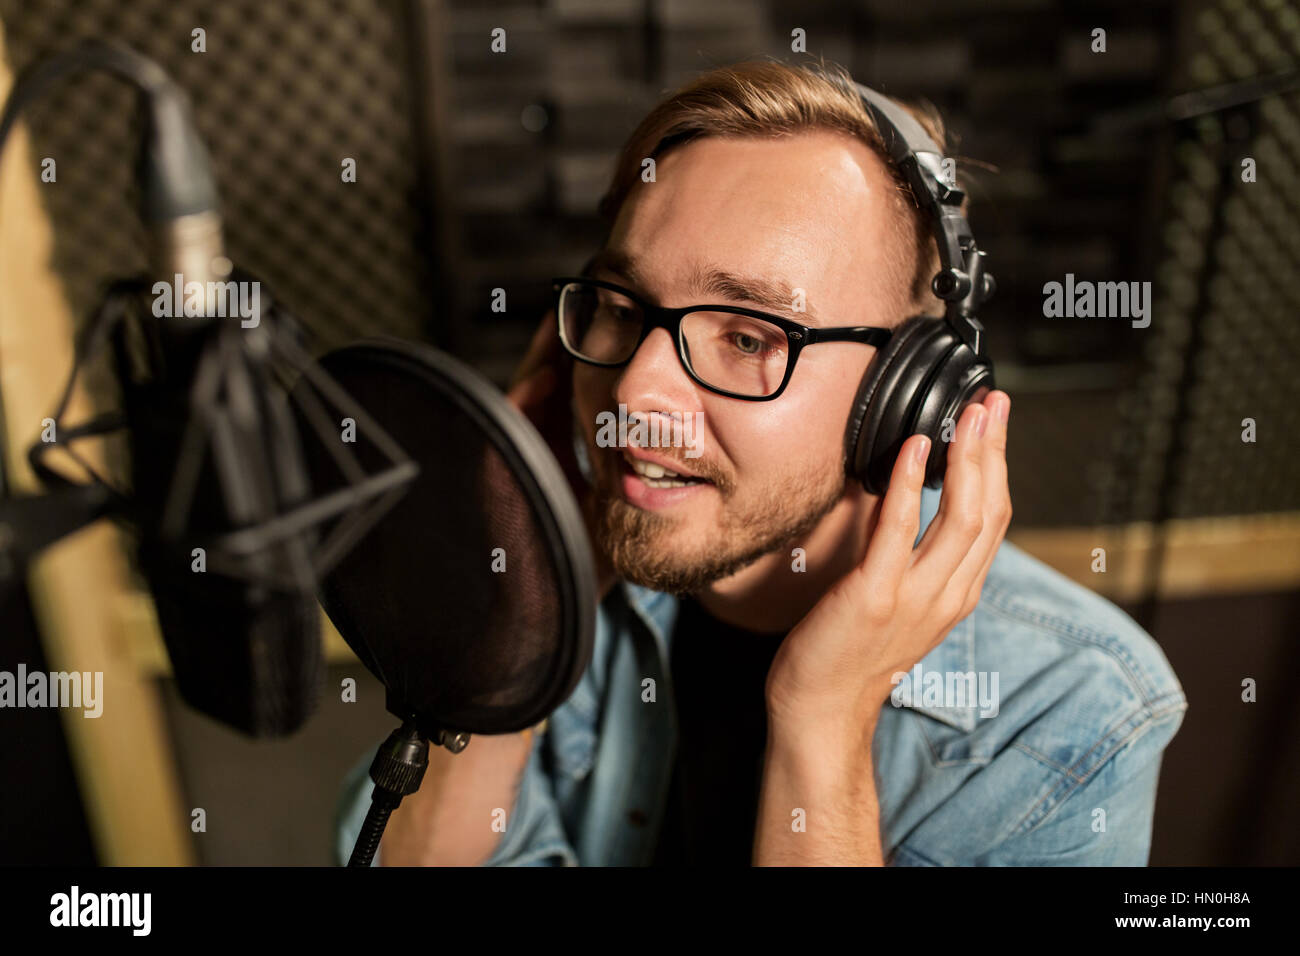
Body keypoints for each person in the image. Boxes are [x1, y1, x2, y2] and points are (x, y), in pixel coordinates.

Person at [335, 59, 1186, 866]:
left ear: (906, 398)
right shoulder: (545, 589)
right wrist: (527, 600)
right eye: (624, 307)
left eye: (749, 336)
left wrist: (823, 717)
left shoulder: (1073, 704)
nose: (636, 388)